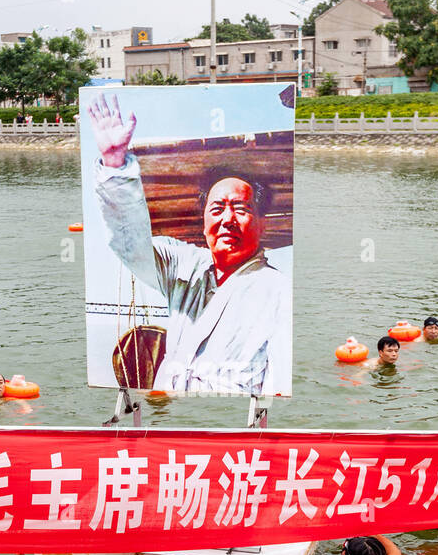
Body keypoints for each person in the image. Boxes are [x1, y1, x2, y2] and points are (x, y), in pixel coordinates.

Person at [86, 92, 291, 395]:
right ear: (204, 223)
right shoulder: (183, 264)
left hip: (229, 416)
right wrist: (116, 165)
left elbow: (281, 374)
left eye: (243, 209)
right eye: (217, 209)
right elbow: (130, 244)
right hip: (169, 408)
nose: (228, 219)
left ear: (263, 223)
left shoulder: (279, 290)